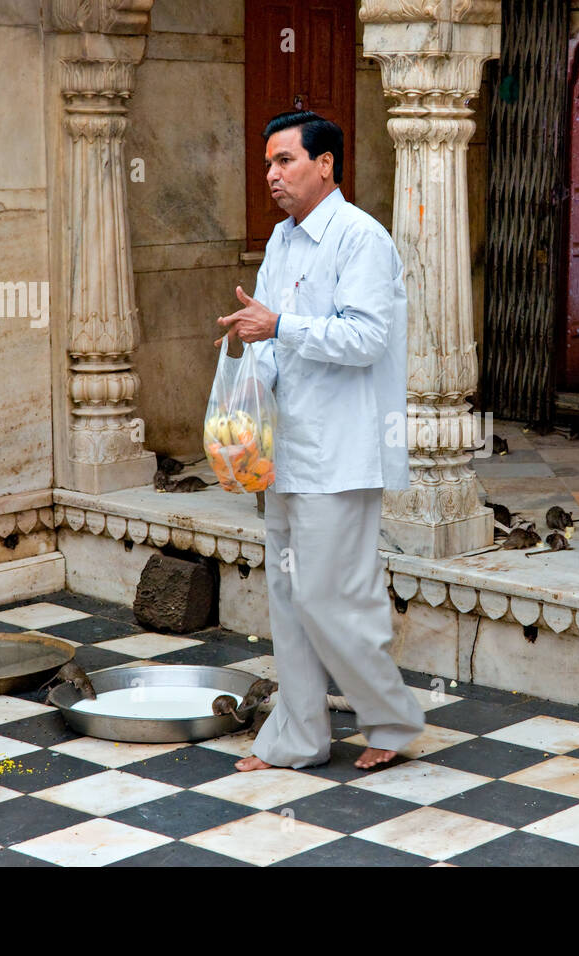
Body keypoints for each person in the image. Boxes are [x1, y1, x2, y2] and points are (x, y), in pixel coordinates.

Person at [214, 111, 425, 772]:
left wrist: (279, 325)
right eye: (269, 164)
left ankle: (391, 720)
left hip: (341, 450)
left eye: (286, 161)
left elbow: (367, 339)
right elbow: (274, 338)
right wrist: (242, 393)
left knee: (331, 595)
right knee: (287, 594)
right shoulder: (282, 241)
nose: (272, 176)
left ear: (325, 164)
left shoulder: (361, 238)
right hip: (287, 449)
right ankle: (298, 737)